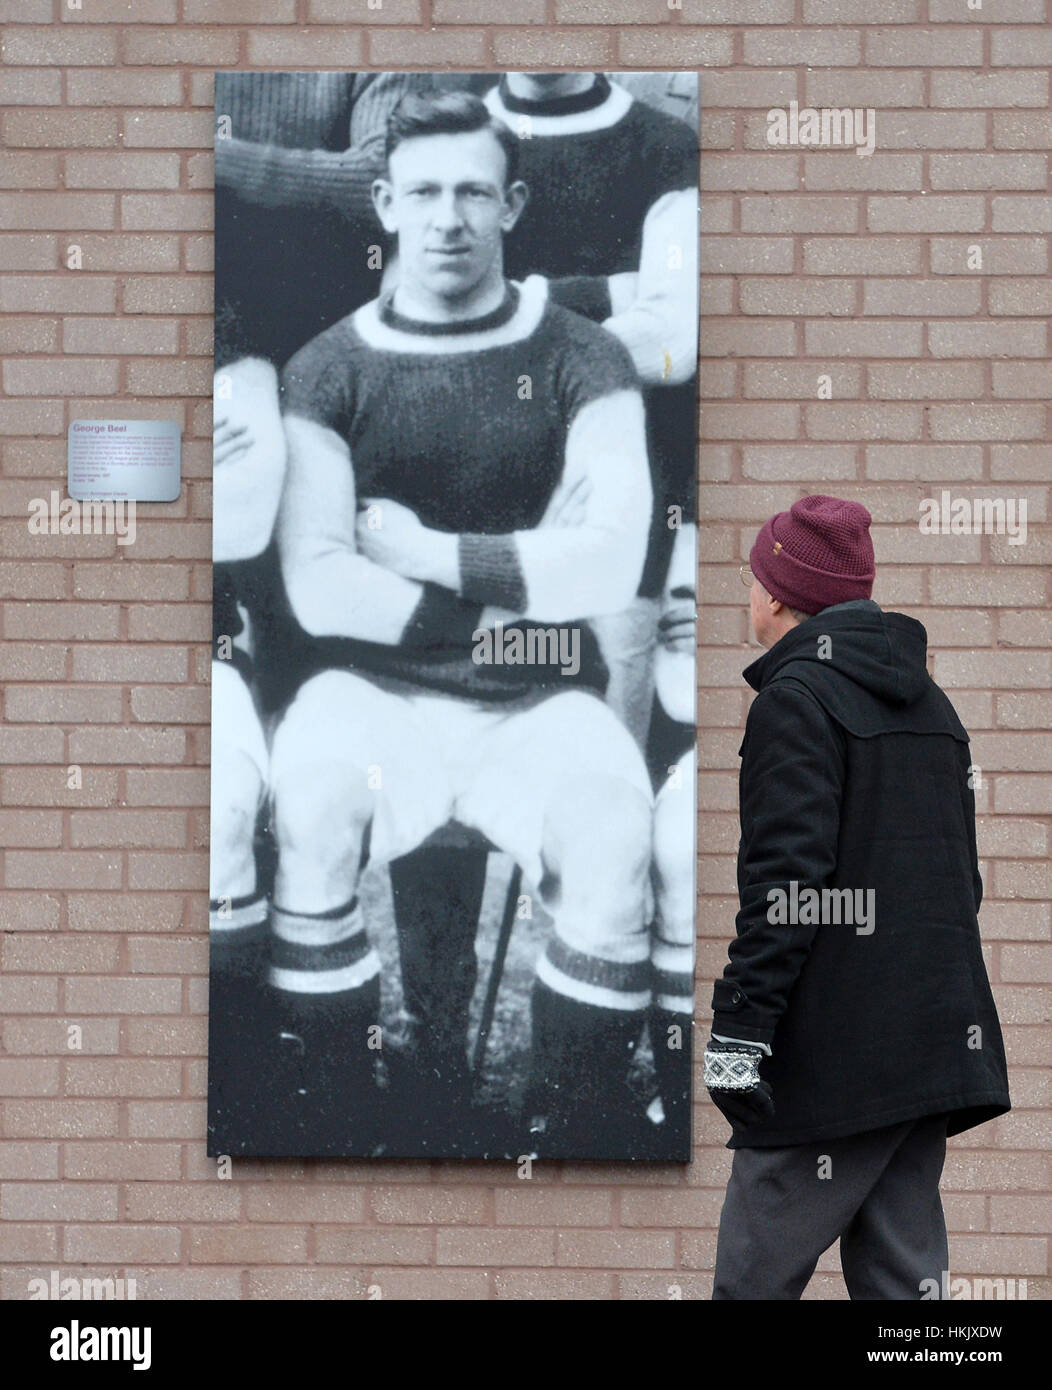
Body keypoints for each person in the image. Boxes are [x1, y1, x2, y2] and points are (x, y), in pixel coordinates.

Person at [268, 91, 655, 1156]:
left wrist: (419, 553)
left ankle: (565, 1128)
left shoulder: (586, 359)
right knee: (308, 800)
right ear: (385, 203)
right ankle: (341, 1115)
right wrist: (521, 604)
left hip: (538, 705)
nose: (449, 218)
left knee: (615, 830)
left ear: (512, 204)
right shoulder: (327, 368)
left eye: (474, 192)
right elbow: (318, 589)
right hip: (375, 698)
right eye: (426, 192)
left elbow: (611, 558)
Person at [705, 495, 1011, 1299]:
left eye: (752, 579)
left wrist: (740, 1031)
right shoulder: (933, 707)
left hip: (834, 1063)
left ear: (775, 594)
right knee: (905, 1291)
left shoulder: (795, 701)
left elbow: (786, 885)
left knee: (749, 1284)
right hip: (928, 1050)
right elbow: (961, 885)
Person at [484, 71, 699, 751]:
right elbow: (416, 320)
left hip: (620, 511)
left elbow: (670, 343)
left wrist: (530, 303)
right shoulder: (453, 130)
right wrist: (614, 290)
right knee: (461, 788)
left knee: (598, 789)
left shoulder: (663, 145)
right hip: (472, 508)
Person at [207, 302, 287, 1154]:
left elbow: (243, 515)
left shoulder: (234, 325)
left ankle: (237, 1069)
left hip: (204, 649)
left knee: (224, 803)